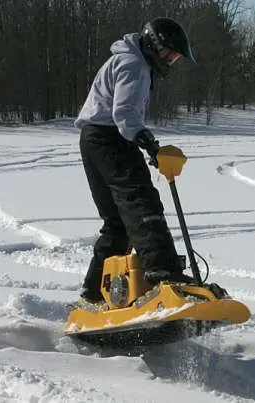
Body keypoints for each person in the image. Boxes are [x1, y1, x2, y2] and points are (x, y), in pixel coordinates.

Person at [74, 17, 197, 302]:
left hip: (94, 139)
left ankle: (93, 296)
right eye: (171, 54)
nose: (171, 61)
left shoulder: (129, 60)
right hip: (109, 138)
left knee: (117, 223)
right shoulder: (135, 65)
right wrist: (150, 145)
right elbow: (125, 113)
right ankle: (164, 275)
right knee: (142, 203)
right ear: (155, 45)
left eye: (176, 58)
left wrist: (144, 142)